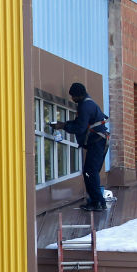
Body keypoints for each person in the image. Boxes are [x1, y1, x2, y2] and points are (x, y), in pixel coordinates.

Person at [50, 82, 110, 211]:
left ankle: (98, 203)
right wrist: (64, 124)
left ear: (77, 95)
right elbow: (80, 123)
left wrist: (63, 126)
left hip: (98, 143)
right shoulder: (87, 103)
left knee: (90, 172)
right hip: (100, 142)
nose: (72, 99)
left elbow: (80, 128)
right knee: (91, 173)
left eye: (72, 96)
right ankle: (96, 201)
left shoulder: (85, 106)